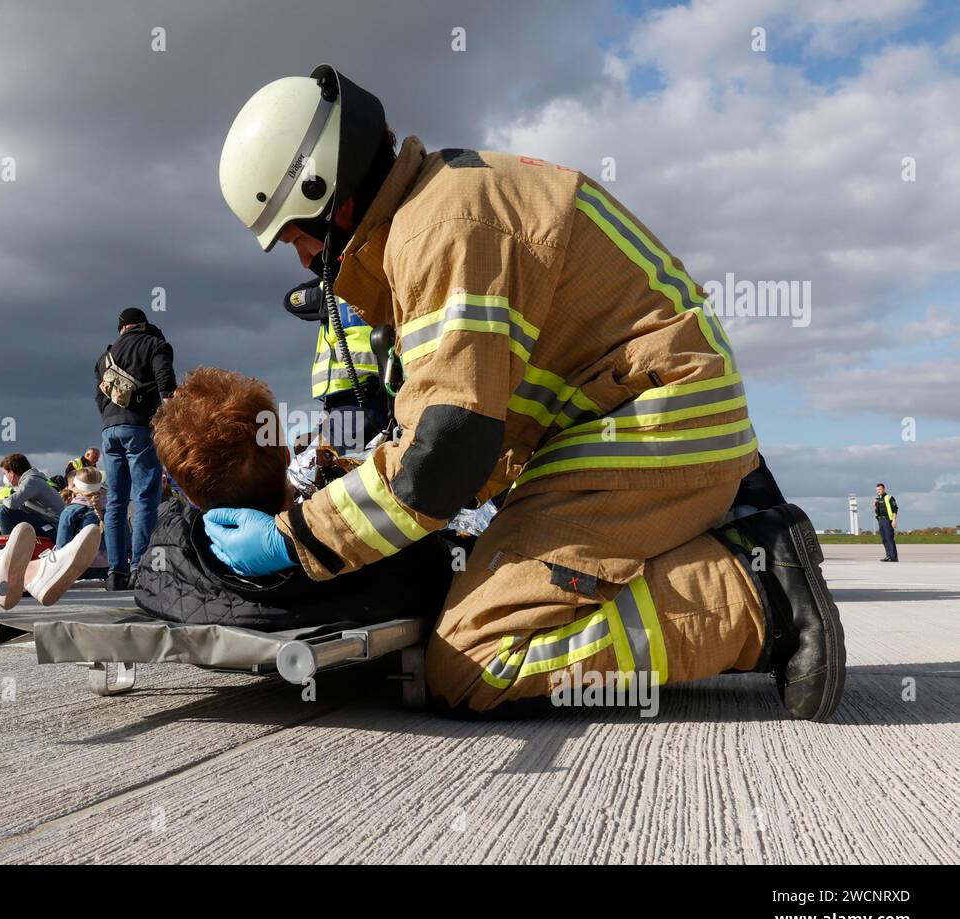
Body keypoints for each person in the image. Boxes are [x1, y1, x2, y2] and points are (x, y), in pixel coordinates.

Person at [211, 65, 844, 721]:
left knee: (473, 660)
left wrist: (296, 539)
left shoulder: (440, 234)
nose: (300, 259)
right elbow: (468, 433)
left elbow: (443, 462)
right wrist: (336, 485)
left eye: (294, 236)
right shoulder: (442, 207)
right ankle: (732, 535)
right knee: (476, 592)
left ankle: (755, 595)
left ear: (332, 202)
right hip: (640, 419)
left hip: (652, 424)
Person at [139, 367, 453, 627]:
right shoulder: (379, 564)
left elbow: (149, 577)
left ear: (191, 497)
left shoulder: (171, 562)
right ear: (287, 455)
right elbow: (431, 567)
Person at [96, 306, 177, 591]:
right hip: (141, 428)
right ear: (144, 324)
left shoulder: (105, 357)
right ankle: (140, 568)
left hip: (109, 431)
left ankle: (115, 574)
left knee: (115, 501)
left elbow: (99, 396)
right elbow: (166, 384)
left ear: (122, 328)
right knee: (145, 498)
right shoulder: (156, 345)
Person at [284, 277, 388, 453]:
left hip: (361, 397)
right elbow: (291, 300)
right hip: (356, 398)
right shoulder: (377, 272)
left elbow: (291, 300)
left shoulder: (337, 283)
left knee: (331, 467)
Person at [0, 453, 65, 537]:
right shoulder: (33, 480)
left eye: (4, 473)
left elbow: (11, 504)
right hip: (51, 526)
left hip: (54, 529)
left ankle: (9, 546)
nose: (4, 476)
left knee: (4, 510)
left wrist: (1, 500)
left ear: (12, 473)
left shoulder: (31, 481)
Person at [56, 468, 103, 549]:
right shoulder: (112, 510)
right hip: (110, 560)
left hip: (81, 560)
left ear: (75, 486)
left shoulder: (69, 511)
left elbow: (62, 547)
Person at [874, 483, 899, 563]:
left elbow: (895, 509)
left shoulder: (889, 498)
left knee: (889, 538)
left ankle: (893, 557)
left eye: (880, 489)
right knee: (884, 539)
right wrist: (874, 505)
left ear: (884, 489)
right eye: (877, 490)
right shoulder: (877, 499)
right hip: (880, 520)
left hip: (888, 520)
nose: (878, 491)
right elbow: (878, 511)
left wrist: (894, 520)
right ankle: (888, 556)